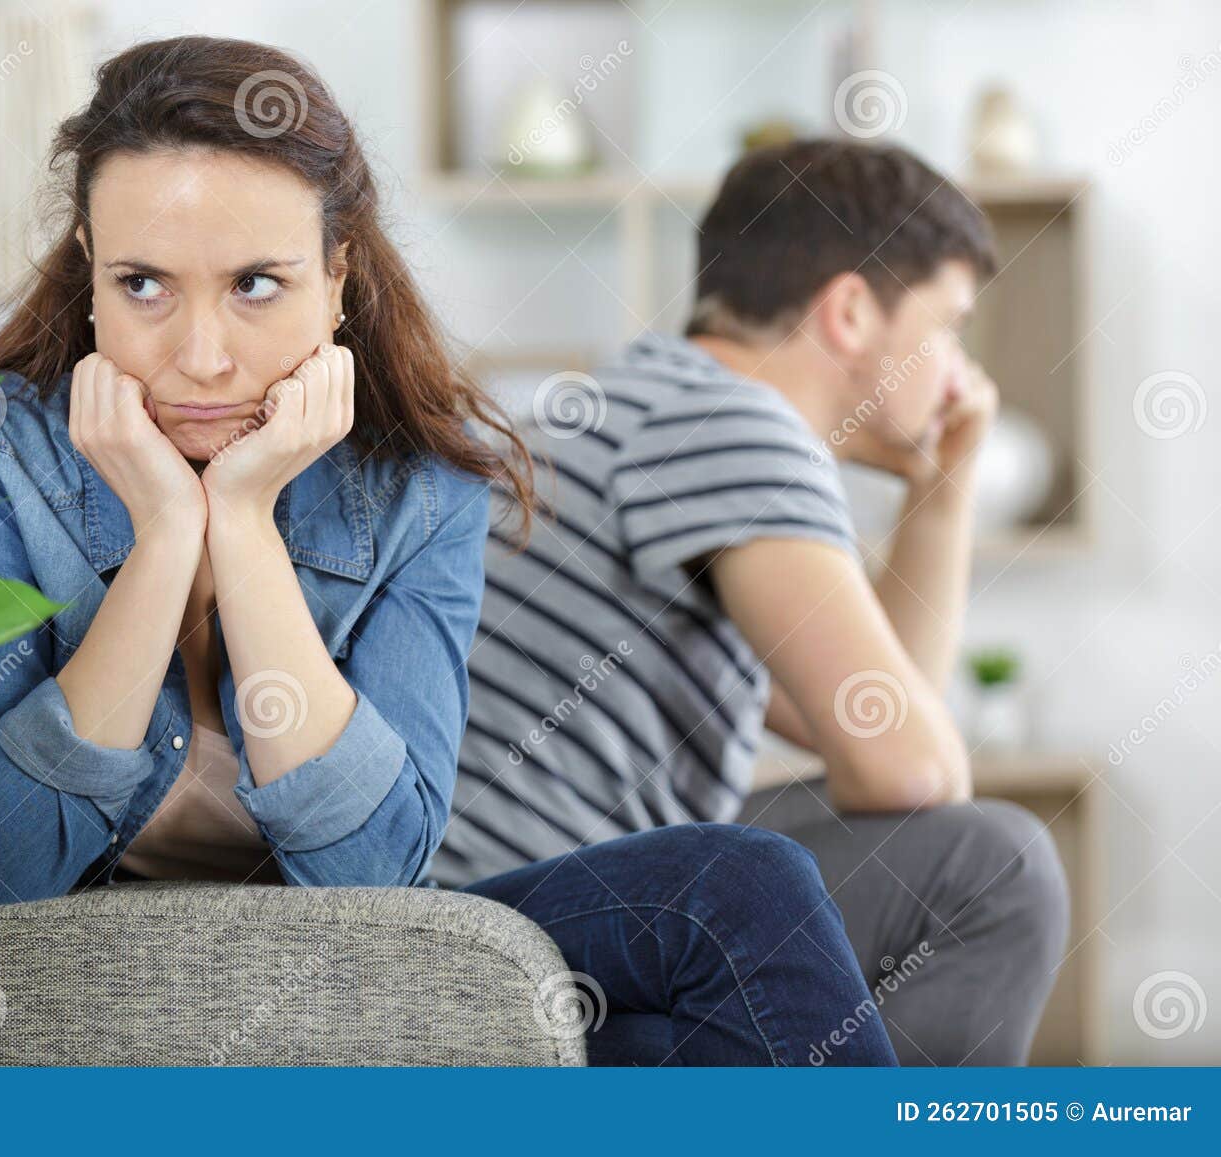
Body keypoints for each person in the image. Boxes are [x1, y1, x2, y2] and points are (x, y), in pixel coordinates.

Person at [0, 36, 895, 1067]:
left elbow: (372, 868)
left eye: (256, 285)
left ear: (336, 283)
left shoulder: (421, 488)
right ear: (90, 279)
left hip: (343, 955)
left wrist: (241, 523)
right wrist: (162, 541)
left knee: (736, 898)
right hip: (115, 965)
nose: (200, 355)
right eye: (143, 284)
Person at [441, 139, 1069, 1066]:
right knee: (994, 865)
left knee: (950, 842)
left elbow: (873, 720)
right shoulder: (735, 423)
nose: (962, 374)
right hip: (510, 928)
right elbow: (914, 771)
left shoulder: (653, 403)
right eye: (949, 326)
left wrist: (943, 493)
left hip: (528, 906)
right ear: (851, 313)